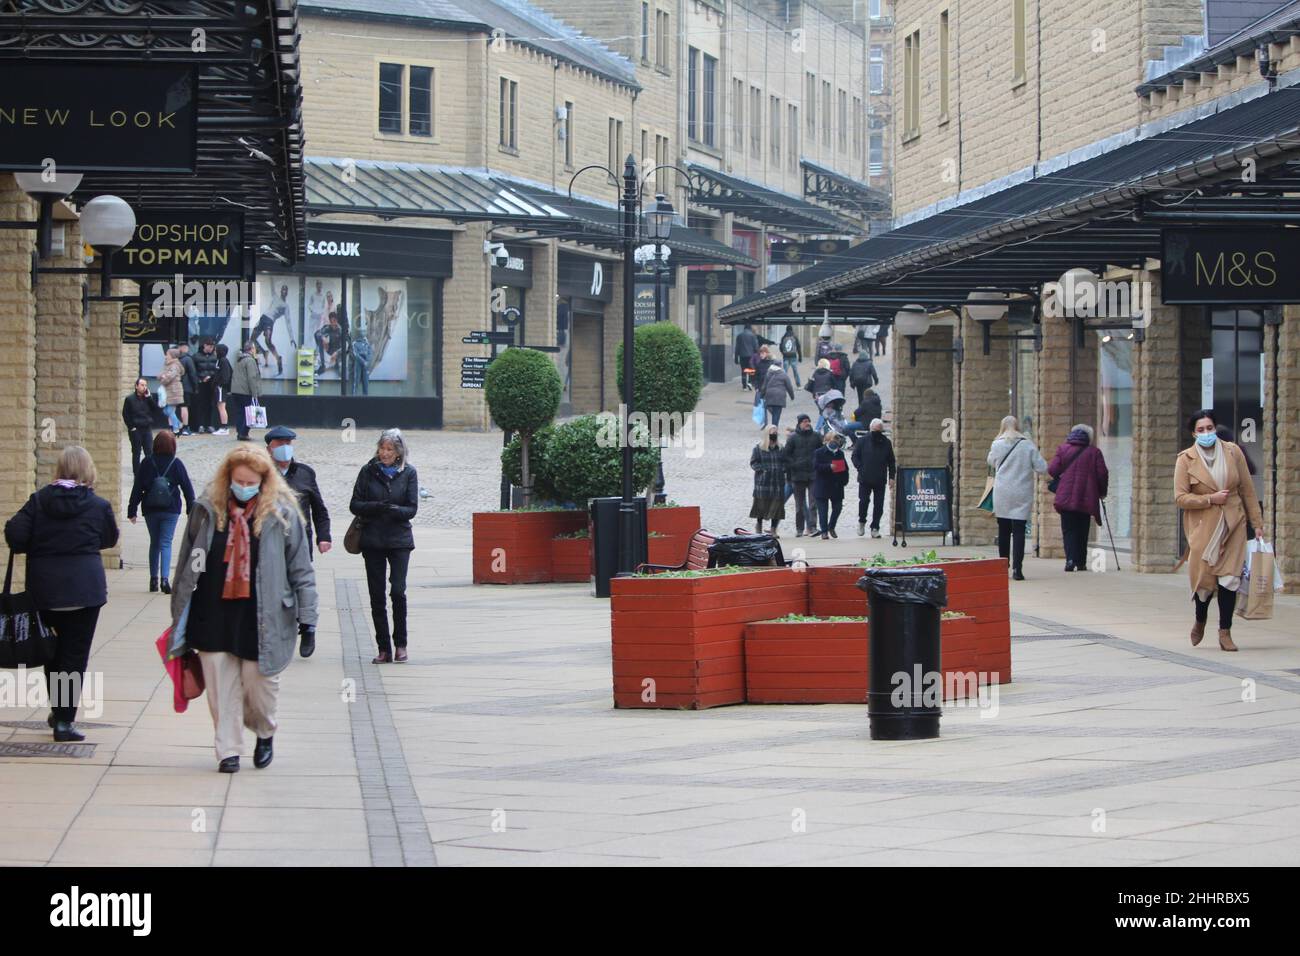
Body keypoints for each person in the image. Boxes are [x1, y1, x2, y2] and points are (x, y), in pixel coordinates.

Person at [167, 444, 317, 772]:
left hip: (263, 616)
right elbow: (188, 561)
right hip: (213, 612)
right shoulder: (208, 511)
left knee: (259, 687)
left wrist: (309, 620)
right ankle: (228, 750)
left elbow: (301, 570)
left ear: (265, 481)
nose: (244, 487)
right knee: (221, 689)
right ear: (227, 478)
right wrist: (179, 606)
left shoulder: (283, 515)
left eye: (252, 482)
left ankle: (264, 730)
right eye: (239, 480)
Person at [4, 446, 119, 742]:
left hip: (45, 591)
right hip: (85, 591)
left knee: (51, 652)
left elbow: (15, 535)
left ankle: (59, 711)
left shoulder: (39, 501)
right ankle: (64, 721)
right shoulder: (97, 505)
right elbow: (109, 538)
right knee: (74, 656)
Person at [1175, 409, 1265, 653]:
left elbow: (1247, 489)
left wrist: (1257, 524)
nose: (1206, 433)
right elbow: (1181, 497)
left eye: (1210, 428)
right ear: (1194, 433)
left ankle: (1225, 632)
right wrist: (1210, 499)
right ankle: (1200, 620)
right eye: (1201, 430)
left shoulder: (1233, 452)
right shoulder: (1185, 459)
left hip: (1233, 523)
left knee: (1230, 579)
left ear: (1216, 428)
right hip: (1204, 527)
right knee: (1204, 584)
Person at [350, 430, 419, 664]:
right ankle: (383, 648)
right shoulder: (367, 471)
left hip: (399, 540)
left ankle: (401, 644)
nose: (385, 453)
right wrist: (375, 507)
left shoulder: (408, 473)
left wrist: (395, 511)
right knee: (376, 595)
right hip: (373, 539)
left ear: (398, 452)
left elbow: (412, 508)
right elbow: (355, 504)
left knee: (398, 591)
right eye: (382, 448)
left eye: (390, 449)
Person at [128, 430, 195, 594]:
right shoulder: (176, 464)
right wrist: (191, 510)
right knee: (166, 543)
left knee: (155, 543)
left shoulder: (146, 463)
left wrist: (132, 509)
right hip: (171, 509)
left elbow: (137, 488)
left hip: (150, 509)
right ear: (173, 446)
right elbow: (187, 488)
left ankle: (153, 580)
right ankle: (165, 580)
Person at [987, 415, 1048, 580]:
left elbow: (991, 462)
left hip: (1002, 492)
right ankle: (1017, 569)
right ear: (1017, 426)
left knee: (1004, 530)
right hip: (1022, 491)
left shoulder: (997, 444)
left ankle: (1003, 566)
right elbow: (1042, 467)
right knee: (1019, 530)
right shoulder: (1027, 445)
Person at [265, 425, 332, 574]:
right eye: (279, 443)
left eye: (288, 443)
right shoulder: (261, 474)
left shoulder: (305, 473)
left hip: (300, 541)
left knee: (300, 584)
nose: (285, 447)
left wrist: (324, 536)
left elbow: (319, 509)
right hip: (271, 542)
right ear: (269, 449)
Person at [1048, 424, 1109, 572]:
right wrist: (1101, 491)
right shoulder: (1094, 452)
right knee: (1082, 530)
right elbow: (1102, 474)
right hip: (1086, 497)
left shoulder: (1063, 449)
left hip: (1066, 496)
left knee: (1068, 530)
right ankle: (1081, 562)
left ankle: (1070, 560)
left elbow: (1052, 469)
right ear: (1089, 437)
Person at [853, 419, 896, 538]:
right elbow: (855, 456)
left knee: (879, 504)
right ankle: (862, 521)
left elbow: (891, 461)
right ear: (871, 429)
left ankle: (875, 527)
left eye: (879, 430)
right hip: (864, 478)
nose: (877, 432)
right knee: (863, 501)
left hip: (880, 478)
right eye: (875, 430)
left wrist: (891, 477)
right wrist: (860, 468)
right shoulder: (862, 441)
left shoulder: (886, 442)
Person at [782, 414, 821, 538]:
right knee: (799, 504)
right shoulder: (793, 438)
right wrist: (793, 465)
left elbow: (821, 452)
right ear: (799, 423)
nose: (807, 423)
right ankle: (799, 528)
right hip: (797, 475)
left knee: (813, 503)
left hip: (813, 474)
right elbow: (786, 455)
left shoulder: (816, 436)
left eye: (808, 421)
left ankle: (812, 527)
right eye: (805, 421)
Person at [749, 425, 786, 536]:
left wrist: (782, 469)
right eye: (772, 432)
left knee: (777, 506)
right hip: (763, 482)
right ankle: (759, 525)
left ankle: (773, 528)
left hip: (777, 482)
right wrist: (763, 470)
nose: (774, 434)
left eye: (775, 432)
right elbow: (753, 463)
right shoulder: (758, 448)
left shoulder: (781, 448)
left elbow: (785, 462)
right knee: (761, 505)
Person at [813, 431, 850, 539]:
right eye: (833, 440)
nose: (835, 442)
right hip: (823, 485)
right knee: (823, 511)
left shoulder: (840, 453)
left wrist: (844, 481)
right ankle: (824, 531)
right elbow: (816, 466)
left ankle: (831, 526)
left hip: (837, 485)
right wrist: (829, 467)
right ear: (827, 441)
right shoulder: (819, 452)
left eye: (837, 440)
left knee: (837, 508)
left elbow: (845, 468)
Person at [121, 378, 161, 476]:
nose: (144, 387)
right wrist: (131, 427)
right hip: (136, 429)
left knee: (149, 452)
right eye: (142, 385)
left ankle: (150, 472)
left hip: (146, 428)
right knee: (136, 452)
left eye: (145, 385)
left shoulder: (147, 398)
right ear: (136, 386)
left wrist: (149, 398)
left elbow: (156, 410)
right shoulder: (130, 399)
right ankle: (137, 473)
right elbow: (125, 414)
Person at [253, 283, 292, 376]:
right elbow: (272, 286)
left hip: (269, 321)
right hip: (263, 318)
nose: (284, 291)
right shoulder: (275, 297)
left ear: (287, 293)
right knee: (252, 338)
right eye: (283, 289)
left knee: (268, 341)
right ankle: (264, 352)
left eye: (285, 290)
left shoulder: (285, 306)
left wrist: (292, 338)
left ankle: (278, 359)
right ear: (281, 291)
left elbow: (288, 322)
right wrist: (271, 279)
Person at [230, 339, 262, 442]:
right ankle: (244, 433)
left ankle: (240, 432)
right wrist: (255, 393)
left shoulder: (239, 359)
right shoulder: (250, 360)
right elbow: (252, 377)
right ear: (252, 349)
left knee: (240, 412)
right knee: (248, 413)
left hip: (236, 391)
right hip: (245, 391)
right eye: (254, 348)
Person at [757, 357, 795, 427]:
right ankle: (773, 434)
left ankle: (773, 431)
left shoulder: (768, 373)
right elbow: (789, 387)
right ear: (780, 365)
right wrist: (792, 396)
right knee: (776, 416)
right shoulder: (784, 374)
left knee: (773, 413)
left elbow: (764, 386)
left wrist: (761, 396)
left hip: (769, 396)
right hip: (779, 397)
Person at [192, 337, 220, 434]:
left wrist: (213, 378)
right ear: (205, 345)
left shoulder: (215, 357)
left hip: (211, 384)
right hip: (201, 384)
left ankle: (209, 424)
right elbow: (193, 371)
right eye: (209, 346)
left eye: (212, 346)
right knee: (200, 404)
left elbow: (217, 370)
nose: (211, 348)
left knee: (211, 405)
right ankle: (200, 425)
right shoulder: (196, 356)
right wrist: (200, 379)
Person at [158, 347, 185, 433]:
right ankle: (178, 424)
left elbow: (169, 377)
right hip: (168, 391)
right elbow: (161, 374)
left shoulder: (175, 365)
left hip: (174, 391)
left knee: (169, 410)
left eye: (168, 354)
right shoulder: (167, 364)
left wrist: (163, 378)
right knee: (166, 410)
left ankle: (176, 428)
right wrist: (161, 376)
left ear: (172, 356)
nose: (166, 356)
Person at [177, 342, 198, 436]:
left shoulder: (174, 358)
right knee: (184, 407)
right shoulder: (188, 359)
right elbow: (192, 374)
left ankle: (175, 426)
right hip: (186, 387)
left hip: (176, 386)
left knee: (175, 407)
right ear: (185, 348)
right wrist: (195, 386)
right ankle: (185, 427)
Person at [213, 342, 232, 435]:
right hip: (219, 387)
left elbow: (226, 375)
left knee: (221, 407)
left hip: (221, 387)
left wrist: (220, 384)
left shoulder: (223, 361)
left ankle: (224, 427)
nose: (215, 352)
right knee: (220, 406)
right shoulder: (220, 360)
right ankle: (223, 426)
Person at [351, 319, 372, 396]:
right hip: (358, 365)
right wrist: (364, 361)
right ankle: (353, 397)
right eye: (362, 331)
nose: (363, 333)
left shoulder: (367, 343)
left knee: (366, 383)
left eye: (365, 331)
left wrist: (368, 361)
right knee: (356, 382)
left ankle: (365, 398)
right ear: (359, 333)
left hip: (366, 366)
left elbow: (370, 353)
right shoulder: (355, 343)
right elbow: (355, 354)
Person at [735, 324, 759, 391]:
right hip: (750, 356)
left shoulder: (739, 336)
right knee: (751, 369)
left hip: (742, 356)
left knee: (743, 370)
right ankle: (750, 382)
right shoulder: (753, 336)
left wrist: (736, 358)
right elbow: (756, 347)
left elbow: (737, 348)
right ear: (750, 329)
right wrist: (757, 356)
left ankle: (744, 386)